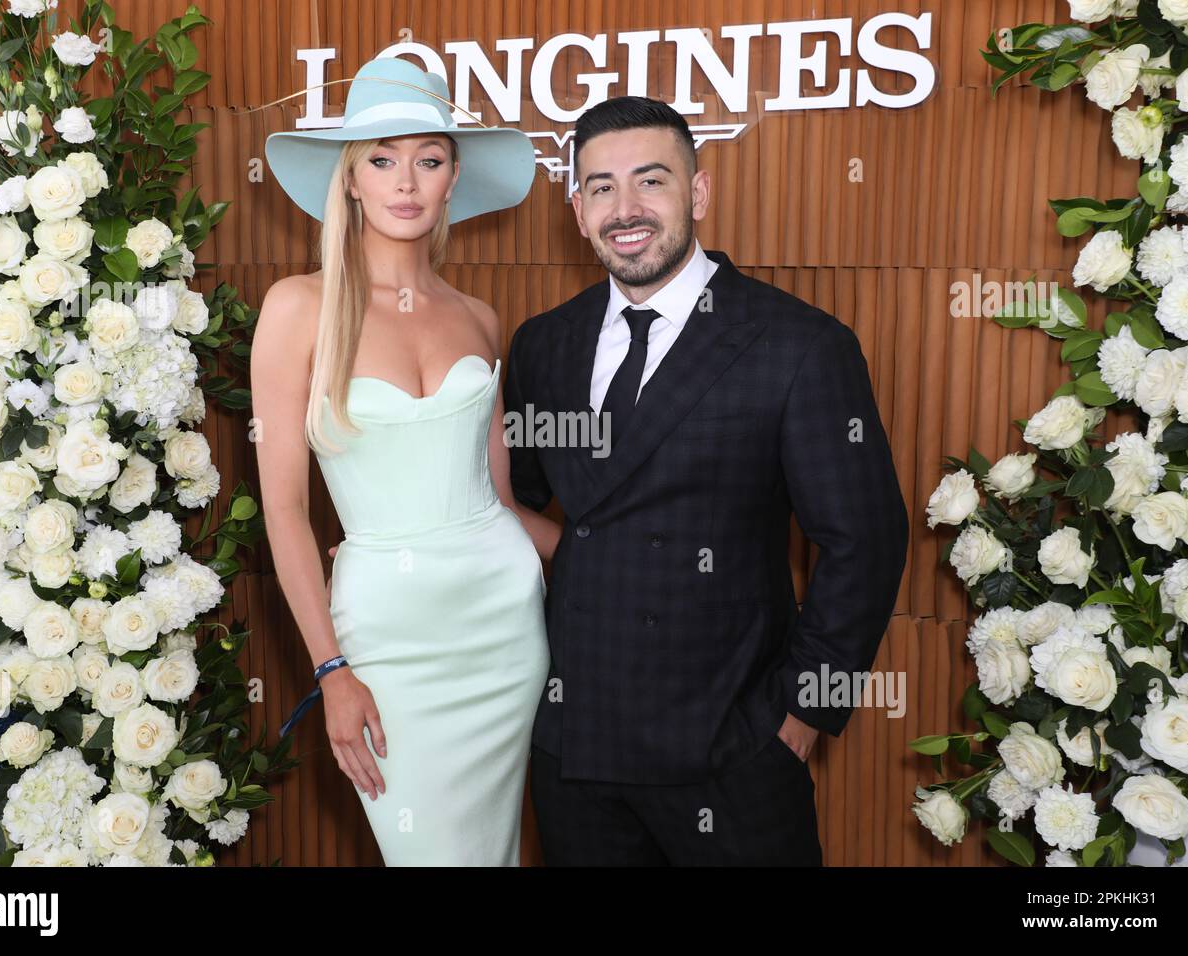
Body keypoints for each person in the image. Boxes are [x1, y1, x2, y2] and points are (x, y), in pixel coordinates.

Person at [505, 96, 910, 865]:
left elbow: (868, 542)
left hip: (733, 751)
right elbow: (510, 510)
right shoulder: (543, 345)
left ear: (698, 193)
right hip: (574, 747)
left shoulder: (797, 344)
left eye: (650, 182)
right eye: (600, 187)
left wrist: (798, 719)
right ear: (577, 208)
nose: (626, 209)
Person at [251, 57, 559, 865]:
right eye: (381, 160)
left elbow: (498, 501)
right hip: (384, 642)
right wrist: (331, 671)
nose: (406, 181)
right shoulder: (297, 307)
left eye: (428, 158)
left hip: (504, 629)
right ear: (349, 180)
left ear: (454, 176)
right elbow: (283, 509)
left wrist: (623, 557)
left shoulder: (481, 318)